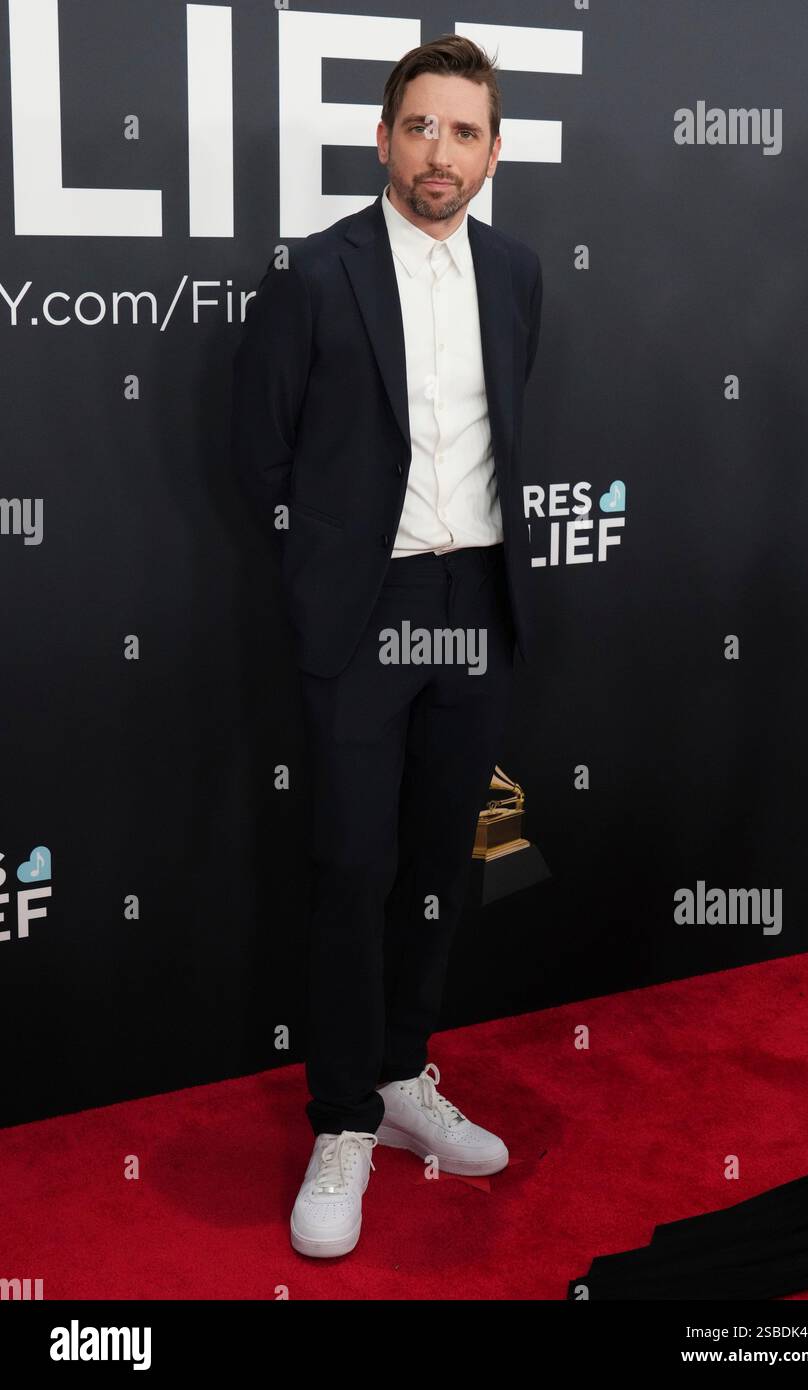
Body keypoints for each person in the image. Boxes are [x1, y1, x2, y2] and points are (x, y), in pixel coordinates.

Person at [231, 34, 543, 1258]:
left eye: (464, 131)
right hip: (363, 614)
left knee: (435, 860)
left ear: (490, 151)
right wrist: (327, 581)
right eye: (421, 126)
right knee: (352, 867)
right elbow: (260, 450)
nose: (439, 152)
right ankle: (343, 1119)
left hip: (477, 607)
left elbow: (501, 429)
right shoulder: (314, 273)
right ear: (381, 137)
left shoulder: (516, 274)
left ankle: (408, 1074)